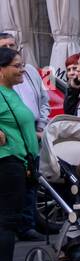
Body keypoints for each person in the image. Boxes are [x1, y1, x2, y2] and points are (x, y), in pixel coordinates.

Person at [0, 47, 40, 261]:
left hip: (20, 161)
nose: (22, 69)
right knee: (6, 221)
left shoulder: (11, 92)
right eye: (16, 65)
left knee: (7, 220)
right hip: (6, 162)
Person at [0, 31, 46, 240]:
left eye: (13, 45)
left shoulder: (27, 76)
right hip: (9, 157)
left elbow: (42, 100)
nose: (21, 69)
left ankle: (28, 223)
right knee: (8, 218)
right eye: (5, 46)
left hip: (27, 150)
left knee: (27, 196)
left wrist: (40, 127)